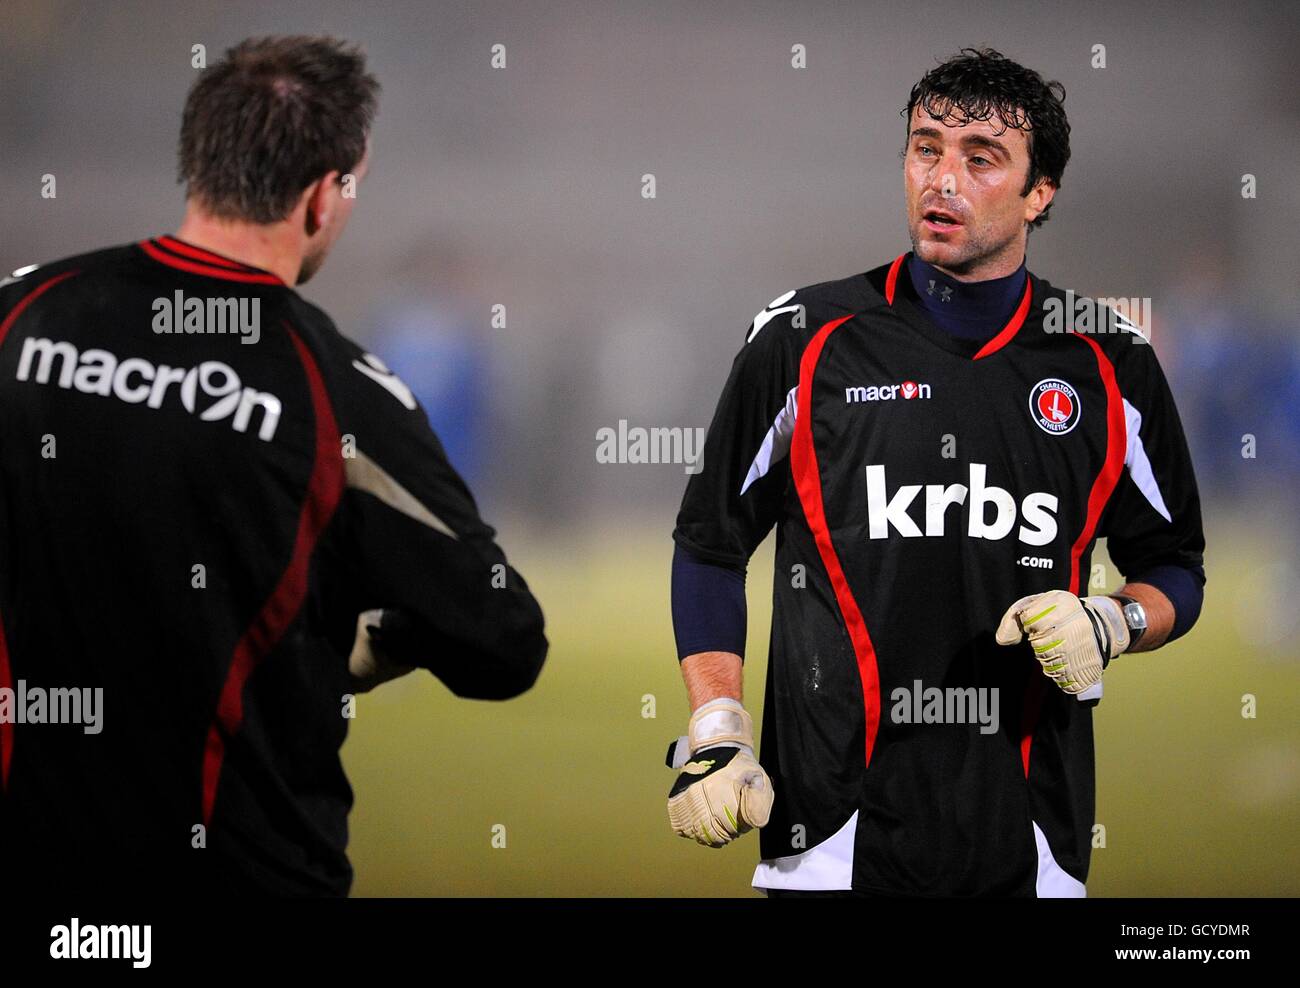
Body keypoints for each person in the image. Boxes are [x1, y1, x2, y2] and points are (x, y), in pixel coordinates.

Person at [0, 35, 547, 896]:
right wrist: (360, 644)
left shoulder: (22, 315)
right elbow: (503, 639)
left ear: (197, 159)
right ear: (324, 197)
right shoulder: (339, 393)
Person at [667, 48, 1205, 897]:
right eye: (926, 149)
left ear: (1040, 193)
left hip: (1031, 843)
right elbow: (708, 543)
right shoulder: (802, 338)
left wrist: (1110, 623)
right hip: (828, 846)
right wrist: (718, 726)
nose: (942, 178)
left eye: (980, 158)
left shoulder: (1113, 365)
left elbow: (1175, 565)